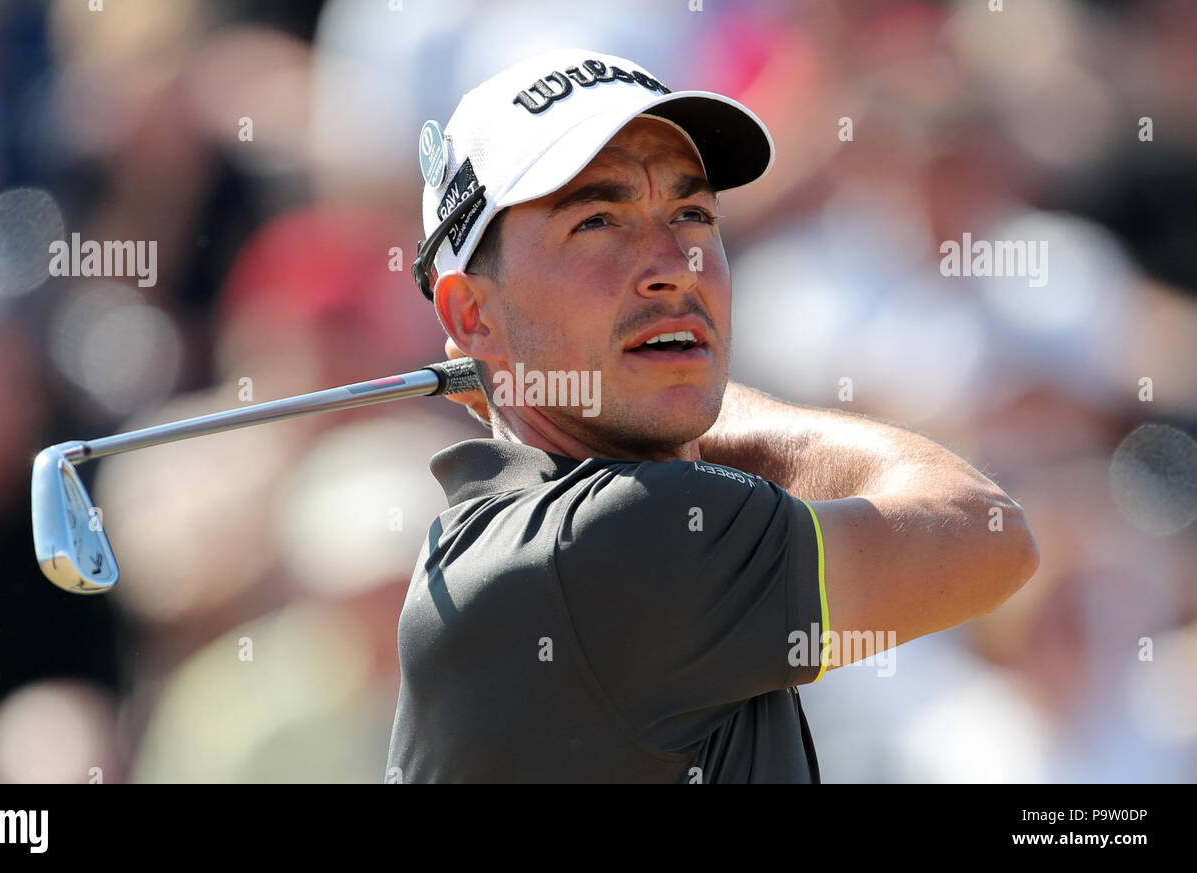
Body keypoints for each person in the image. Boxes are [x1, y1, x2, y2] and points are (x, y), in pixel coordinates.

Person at [386, 48, 1040, 783]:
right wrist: (699, 405)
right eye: (599, 220)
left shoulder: (535, 528)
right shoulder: (615, 535)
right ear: (472, 315)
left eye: (692, 213)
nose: (673, 261)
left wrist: (650, 391)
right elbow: (985, 532)